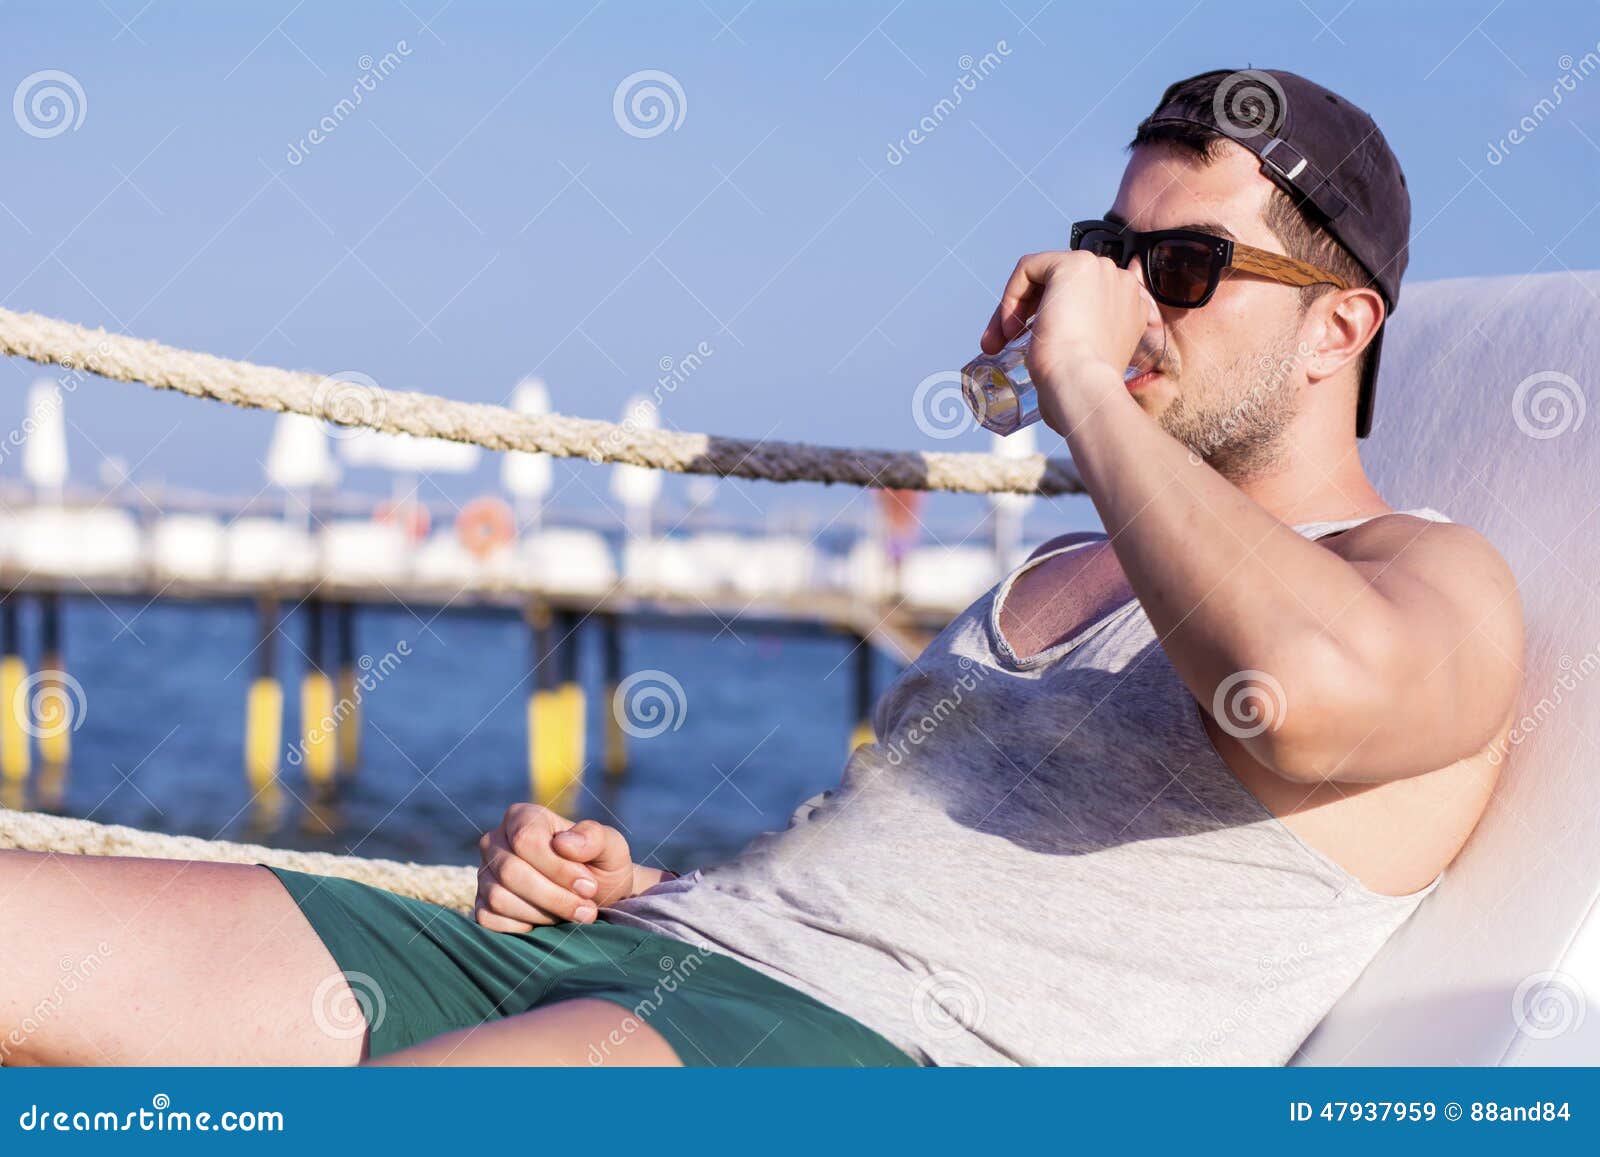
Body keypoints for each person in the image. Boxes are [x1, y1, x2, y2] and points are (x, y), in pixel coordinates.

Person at [0, 68, 1522, 1067]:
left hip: (856, 1055)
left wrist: (1080, 394)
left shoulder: (1432, 582)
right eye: (1107, 253)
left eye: (1182, 268)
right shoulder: (1071, 559)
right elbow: (895, 871)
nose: (1125, 299)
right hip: (659, 953)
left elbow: (1296, 700)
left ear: (1340, 327)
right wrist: (637, 875)